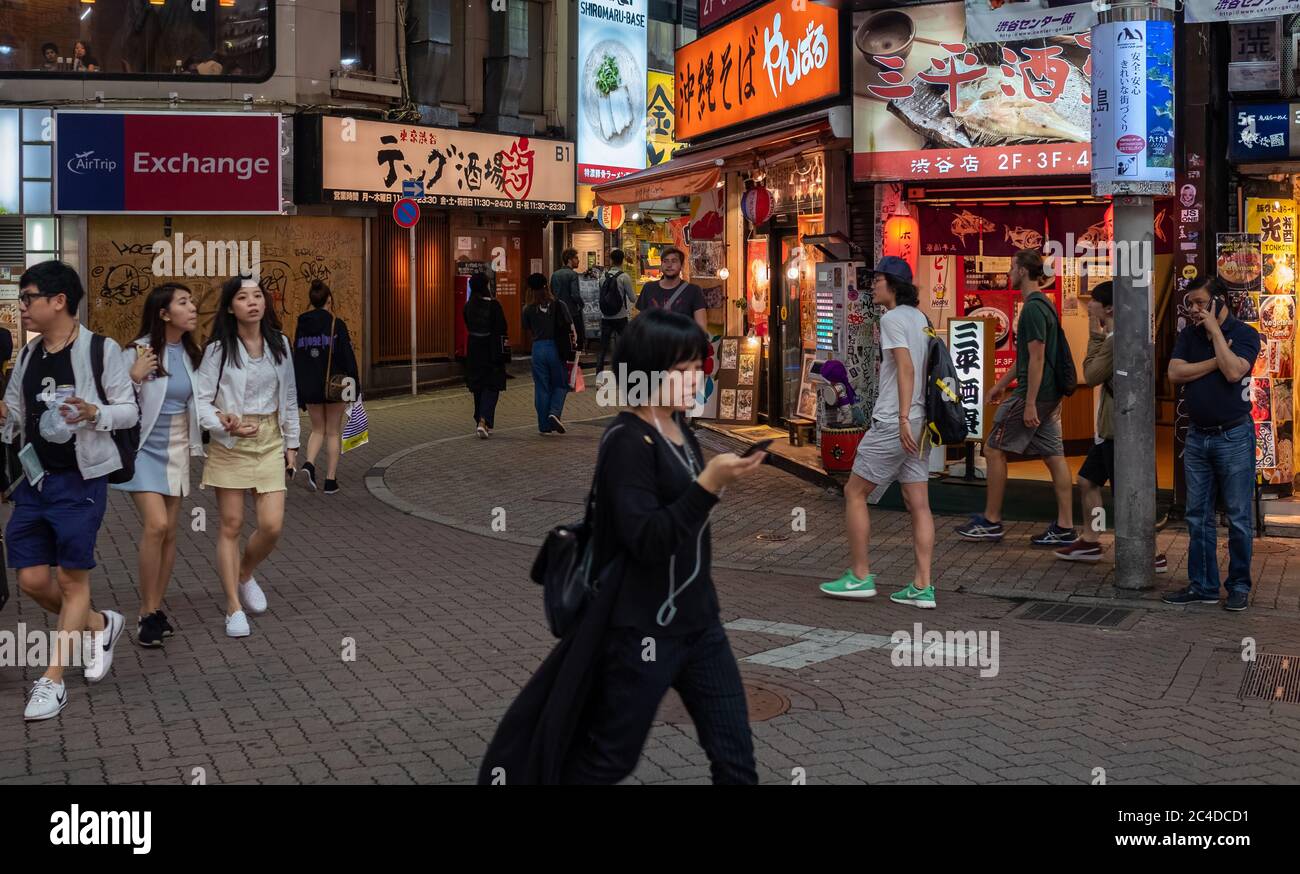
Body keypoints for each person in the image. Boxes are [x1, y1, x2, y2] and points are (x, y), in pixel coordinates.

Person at [479, 309, 768, 784]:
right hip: (642, 631)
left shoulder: (681, 430)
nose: (699, 377)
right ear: (651, 372)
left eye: (701, 365)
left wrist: (707, 485)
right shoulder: (625, 441)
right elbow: (647, 540)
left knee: (736, 762)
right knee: (608, 760)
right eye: (685, 369)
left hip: (700, 625)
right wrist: (707, 487)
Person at [1, 261, 137, 721]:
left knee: (71, 579)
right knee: (31, 580)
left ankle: (52, 680)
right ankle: (100, 624)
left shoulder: (102, 350)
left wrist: (94, 412)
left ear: (58, 301)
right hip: (34, 480)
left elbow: (128, 411)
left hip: (81, 480)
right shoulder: (27, 353)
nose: (22, 308)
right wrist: (6, 417)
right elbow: (17, 411)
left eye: (28, 298)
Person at [820, 257, 936, 607]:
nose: (873, 286)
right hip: (922, 422)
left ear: (893, 284)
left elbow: (906, 368)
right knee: (918, 503)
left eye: (879, 280)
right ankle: (922, 586)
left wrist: (900, 417)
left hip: (894, 421)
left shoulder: (892, 319)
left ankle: (858, 576)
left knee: (854, 492)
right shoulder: (922, 319)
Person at [195, 276, 300, 638]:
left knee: (272, 525)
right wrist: (223, 425)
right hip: (231, 442)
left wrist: (293, 443)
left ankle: (243, 574)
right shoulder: (217, 350)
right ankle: (232, 606)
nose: (253, 302)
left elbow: (289, 396)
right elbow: (201, 400)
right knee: (231, 524)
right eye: (243, 297)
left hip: (270, 438)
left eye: (258, 296)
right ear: (230, 307)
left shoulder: (281, 344)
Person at [957, 249, 1076, 546]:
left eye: (1012, 267)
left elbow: (1035, 359)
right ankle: (1065, 526)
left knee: (994, 448)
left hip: (1033, 394)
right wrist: (1000, 385)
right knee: (1053, 455)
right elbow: (1026, 358)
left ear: (1023, 271)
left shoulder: (1033, 309)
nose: (1008, 272)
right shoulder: (1043, 306)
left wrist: (1030, 402)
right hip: (1048, 393)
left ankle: (992, 521)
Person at [1053, 282, 1168, 573]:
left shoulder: (1115, 339)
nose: (1088, 305)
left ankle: (1152, 553)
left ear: (1109, 308)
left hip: (1120, 431)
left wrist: (1093, 335)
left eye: (1093, 301)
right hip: (1111, 429)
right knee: (1088, 481)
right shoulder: (1124, 336)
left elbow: (1090, 374)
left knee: (1128, 493)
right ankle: (1092, 538)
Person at [115, 283, 205, 648]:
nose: (193, 307)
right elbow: (114, 399)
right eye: (183, 302)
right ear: (164, 313)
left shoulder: (193, 354)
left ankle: (151, 611)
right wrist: (133, 376)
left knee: (169, 533)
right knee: (157, 525)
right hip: (141, 452)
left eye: (192, 301)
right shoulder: (137, 351)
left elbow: (203, 400)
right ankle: (146, 612)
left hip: (177, 450)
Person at [1163, 276, 1260, 611]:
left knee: (1237, 517)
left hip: (1234, 436)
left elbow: (1234, 373)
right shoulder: (1188, 335)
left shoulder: (1246, 334)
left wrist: (1218, 335)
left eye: (1201, 303)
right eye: (1189, 303)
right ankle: (1203, 585)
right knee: (1197, 515)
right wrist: (1216, 361)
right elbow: (1174, 373)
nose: (1194, 310)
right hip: (1198, 435)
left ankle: (1238, 586)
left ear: (1221, 302)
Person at [292, 280, 358, 494]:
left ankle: (309, 464)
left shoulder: (301, 324)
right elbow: (347, 356)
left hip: (309, 385)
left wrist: (299, 389)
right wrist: (355, 384)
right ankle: (330, 481)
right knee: (332, 432)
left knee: (317, 429)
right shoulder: (336, 324)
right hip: (333, 385)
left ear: (311, 301)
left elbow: (298, 357)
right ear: (329, 299)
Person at [522, 272, 575, 435]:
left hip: (538, 348)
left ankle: (544, 425)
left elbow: (527, 329)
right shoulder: (558, 304)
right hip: (555, 347)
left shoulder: (527, 308)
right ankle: (554, 412)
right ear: (547, 285)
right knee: (560, 384)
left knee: (541, 387)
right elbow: (570, 326)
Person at [462, 272, 508, 439]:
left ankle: (480, 420)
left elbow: (467, 324)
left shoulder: (468, 306)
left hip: (474, 349)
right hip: (492, 348)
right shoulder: (494, 306)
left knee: (478, 386)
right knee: (492, 385)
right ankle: (483, 420)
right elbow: (502, 327)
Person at [636, 246, 708, 331]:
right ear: (661, 264)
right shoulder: (648, 288)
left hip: (682, 343)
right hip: (653, 342)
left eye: (674, 261)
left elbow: (701, 328)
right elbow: (640, 323)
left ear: (682, 265)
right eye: (665, 261)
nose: (669, 265)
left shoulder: (693, 291)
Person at [596, 249, 636, 373]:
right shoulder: (624, 277)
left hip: (606, 316)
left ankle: (599, 373)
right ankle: (625, 371)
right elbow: (632, 298)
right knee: (626, 345)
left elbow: (601, 295)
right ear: (622, 260)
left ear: (611, 260)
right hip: (621, 317)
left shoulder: (603, 277)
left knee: (603, 347)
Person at [550, 248, 586, 354]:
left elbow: (552, 292)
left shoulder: (555, 274)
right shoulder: (572, 275)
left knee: (563, 337)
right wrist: (581, 304)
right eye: (576, 258)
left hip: (558, 312)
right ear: (570, 260)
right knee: (577, 337)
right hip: (572, 312)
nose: (578, 261)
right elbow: (575, 294)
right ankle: (575, 361)